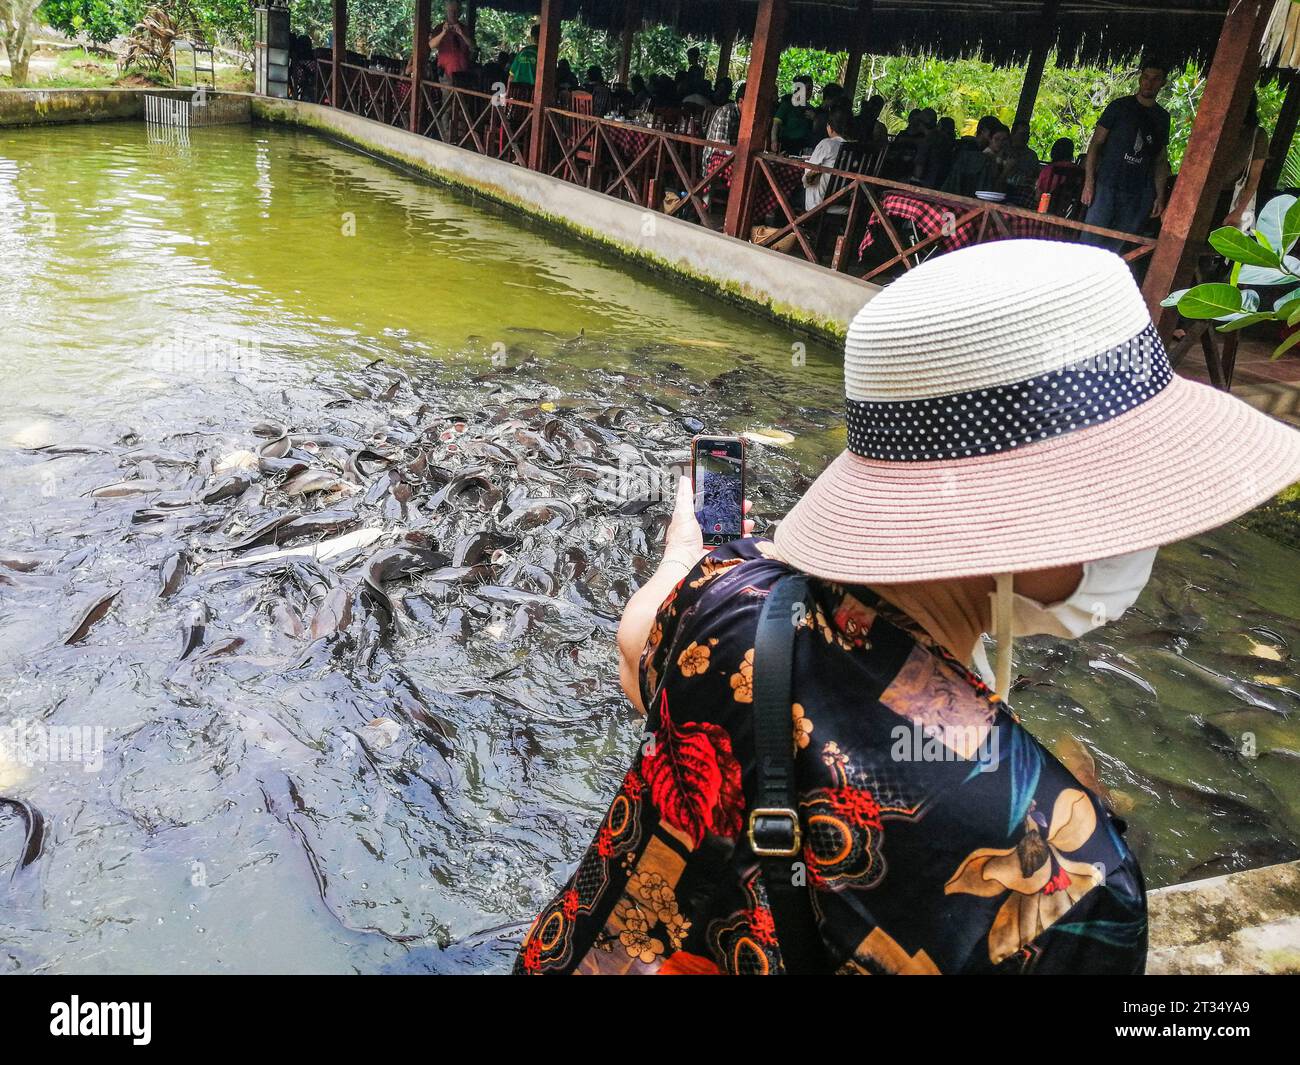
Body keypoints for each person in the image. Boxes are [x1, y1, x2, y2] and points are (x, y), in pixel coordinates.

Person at [514, 239, 1300, 975]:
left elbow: (635, 641)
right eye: (1124, 503)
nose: (1145, 536)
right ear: (1038, 537)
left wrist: (693, 561)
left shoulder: (715, 602)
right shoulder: (1072, 877)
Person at [1082, 57, 1171, 248]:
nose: (1149, 83)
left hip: (1137, 192)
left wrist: (1160, 195)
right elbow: (1096, 144)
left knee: (1116, 247)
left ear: (1163, 83)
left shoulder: (1163, 118)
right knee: (1090, 241)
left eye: (1156, 79)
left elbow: (1161, 160)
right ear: (1140, 79)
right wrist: (1089, 182)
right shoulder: (1119, 107)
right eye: (1146, 77)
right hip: (1106, 185)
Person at [1222, 92, 1269, 231]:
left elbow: (1254, 178)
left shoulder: (1257, 135)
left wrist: (1239, 211)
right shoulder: (1217, 128)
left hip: (1231, 198)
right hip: (1204, 194)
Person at [803, 104, 852, 211]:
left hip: (819, 203)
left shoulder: (827, 144)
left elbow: (807, 177)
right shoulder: (854, 149)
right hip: (844, 202)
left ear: (830, 127)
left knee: (791, 194)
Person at [429, 0, 474, 84]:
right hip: (445, 72)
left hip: (462, 73)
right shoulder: (439, 27)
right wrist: (443, 33)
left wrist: (462, 34)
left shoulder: (464, 29)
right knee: (447, 96)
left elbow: (472, 45)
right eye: (451, 11)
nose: (453, 14)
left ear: (460, 12)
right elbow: (431, 45)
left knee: (461, 96)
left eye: (456, 11)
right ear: (447, 12)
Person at [703, 81, 743, 174]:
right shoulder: (728, 111)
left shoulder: (742, 116)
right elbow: (721, 147)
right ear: (741, 101)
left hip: (730, 159)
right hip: (713, 163)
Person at [1037, 137, 1084, 212]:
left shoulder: (1048, 169)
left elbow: (1038, 195)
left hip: (1045, 208)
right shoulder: (1078, 171)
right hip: (1067, 212)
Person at [772, 76, 816, 153]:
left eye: (811, 90)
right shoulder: (787, 104)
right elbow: (776, 124)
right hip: (787, 145)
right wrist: (774, 141)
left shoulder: (811, 109)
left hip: (804, 148)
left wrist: (815, 118)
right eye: (808, 89)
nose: (810, 92)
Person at [913, 115, 956, 188]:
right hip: (944, 186)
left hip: (926, 184)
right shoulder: (952, 145)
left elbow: (918, 172)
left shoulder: (929, 141)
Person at [506, 23, 540, 92]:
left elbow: (511, 75)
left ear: (532, 37)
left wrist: (508, 92)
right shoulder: (542, 53)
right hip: (532, 92)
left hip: (517, 91)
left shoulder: (523, 51)